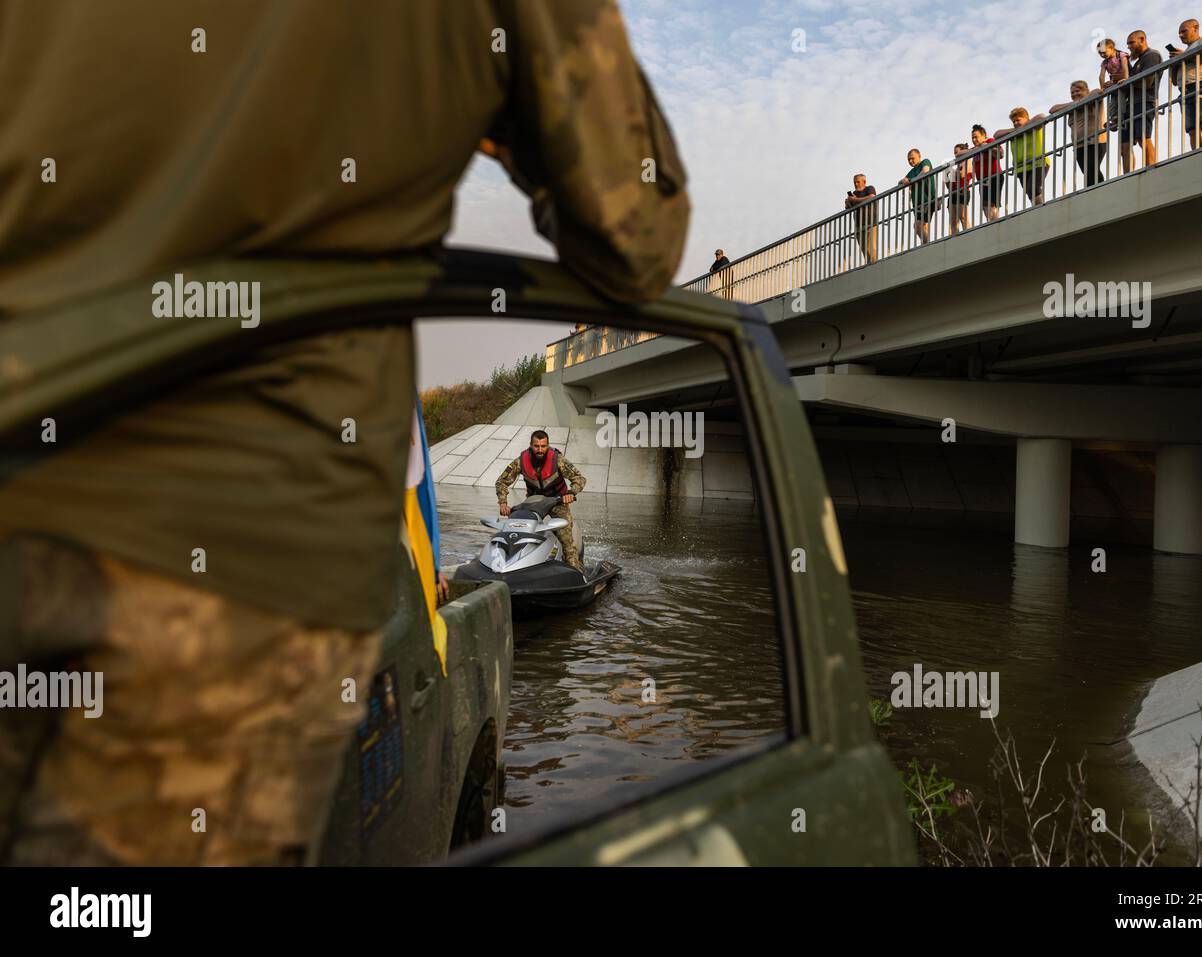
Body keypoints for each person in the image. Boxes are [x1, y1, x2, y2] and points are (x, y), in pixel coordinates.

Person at [0, 0, 688, 866]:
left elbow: (562, 488)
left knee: (566, 530)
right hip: (239, 583)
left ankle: (573, 566)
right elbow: (638, 233)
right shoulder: (523, 454)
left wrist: (559, 498)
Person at [494, 431, 587, 571]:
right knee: (519, 530)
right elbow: (501, 482)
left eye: (543, 446)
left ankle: (575, 572)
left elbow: (579, 478)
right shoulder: (520, 461)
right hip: (534, 502)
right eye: (536, 446)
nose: (540, 450)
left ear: (547, 445)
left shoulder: (558, 459)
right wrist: (503, 503)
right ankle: (515, 563)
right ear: (531, 446)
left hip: (558, 501)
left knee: (565, 538)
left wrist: (571, 492)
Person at [1049, 81, 1108, 187]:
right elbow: (1052, 109)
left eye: (1078, 91)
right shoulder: (1072, 107)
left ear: (1086, 91)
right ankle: (1093, 192)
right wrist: (1074, 104)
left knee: (1091, 169)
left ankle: (1100, 190)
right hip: (1079, 145)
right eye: (1072, 92)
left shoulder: (1092, 99)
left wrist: (1080, 102)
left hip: (1095, 140)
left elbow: (1097, 92)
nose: (1074, 94)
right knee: (1087, 173)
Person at [1168, 18, 1202, 149]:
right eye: (1179, 33)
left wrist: (1183, 56)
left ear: (1196, 28)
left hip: (1201, 84)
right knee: (1192, 129)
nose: (1181, 35)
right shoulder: (1183, 52)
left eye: (1184, 31)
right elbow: (1173, 80)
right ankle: (1197, 154)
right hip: (1184, 89)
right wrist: (1174, 63)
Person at [1122, 30, 1164, 173]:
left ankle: (1151, 171)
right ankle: (1128, 176)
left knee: (1143, 139)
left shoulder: (1151, 55)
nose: (1129, 47)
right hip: (1130, 105)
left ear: (1142, 39)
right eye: (1128, 44)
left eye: (1131, 42)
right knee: (1125, 146)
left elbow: (1148, 81)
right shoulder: (1138, 61)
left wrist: (1126, 82)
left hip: (1145, 102)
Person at [995, 108, 1051, 207]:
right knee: (1030, 192)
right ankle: (1038, 207)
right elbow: (997, 135)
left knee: (1033, 188)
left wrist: (1025, 125)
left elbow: (1042, 116)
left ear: (1026, 118)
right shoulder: (1013, 132)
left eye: (1018, 120)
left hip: (1038, 162)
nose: (1016, 123)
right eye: (1014, 121)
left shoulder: (1034, 125)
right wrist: (1016, 130)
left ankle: (1041, 209)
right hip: (1021, 168)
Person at [898, 149, 938, 244]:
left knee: (917, 226)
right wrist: (902, 181)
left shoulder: (925, 161)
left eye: (912, 158)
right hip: (918, 203)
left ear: (919, 156)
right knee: (923, 226)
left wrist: (911, 180)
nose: (910, 161)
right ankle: (926, 245)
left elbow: (925, 171)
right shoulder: (912, 171)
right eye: (909, 160)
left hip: (927, 199)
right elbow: (900, 183)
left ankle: (928, 245)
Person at [969, 125, 1005, 222]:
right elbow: (960, 155)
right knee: (985, 206)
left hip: (994, 176)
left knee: (992, 204)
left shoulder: (990, 141)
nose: (974, 139)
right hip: (982, 180)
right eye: (972, 137)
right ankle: (992, 223)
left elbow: (1001, 154)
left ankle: (996, 224)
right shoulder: (975, 149)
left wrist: (988, 147)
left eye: (976, 136)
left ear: (983, 136)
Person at [844, 173, 879, 264]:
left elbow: (871, 197)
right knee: (864, 249)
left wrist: (855, 200)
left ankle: (874, 266)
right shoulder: (854, 194)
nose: (856, 184)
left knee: (871, 248)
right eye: (854, 182)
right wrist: (848, 202)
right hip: (858, 225)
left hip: (870, 222)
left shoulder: (869, 188)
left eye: (858, 182)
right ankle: (869, 265)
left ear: (864, 182)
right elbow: (848, 208)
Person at [1098, 38, 1130, 132]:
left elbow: (1125, 67)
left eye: (1104, 52)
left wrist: (1125, 78)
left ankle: (1120, 116)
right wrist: (1102, 87)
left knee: (1121, 97)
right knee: (1113, 100)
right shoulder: (1105, 62)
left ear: (1112, 48)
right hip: (1115, 84)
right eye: (1100, 54)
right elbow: (1101, 76)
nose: (1102, 55)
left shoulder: (1121, 55)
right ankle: (1113, 118)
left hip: (1124, 80)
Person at [943, 144, 973, 235]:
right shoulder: (956, 166)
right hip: (953, 193)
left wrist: (950, 172)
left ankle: (968, 235)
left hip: (962, 191)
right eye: (954, 153)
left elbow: (962, 175)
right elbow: (949, 186)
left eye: (957, 152)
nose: (955, 155)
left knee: (963, 217)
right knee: (953, 221)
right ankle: (954, 238)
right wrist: (946, 176)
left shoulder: (967, 161)